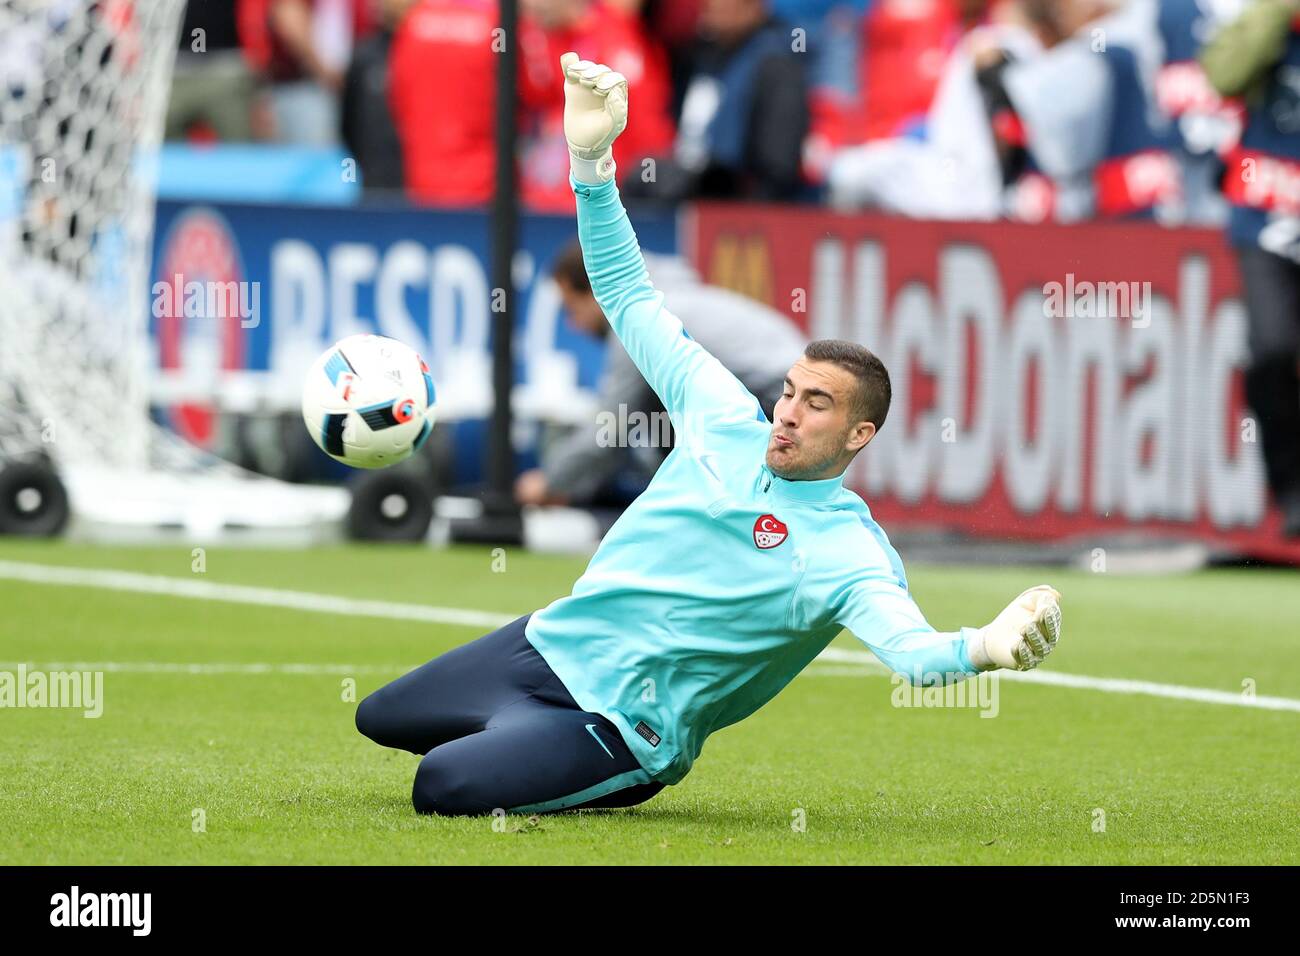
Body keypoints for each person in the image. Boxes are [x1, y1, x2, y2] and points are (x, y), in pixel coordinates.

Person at [355, 53, 1066, 816]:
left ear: (861, 433)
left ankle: (585, 768)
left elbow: (913, 655)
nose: (789, 411)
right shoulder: (723, 414)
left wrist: (988, 646)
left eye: (817, 404)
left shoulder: (847, 553)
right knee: (379, 717)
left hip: (619, 725)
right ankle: (513, 740)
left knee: (442, 787)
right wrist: (592, 166)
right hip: (546, 648)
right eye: (790, 391)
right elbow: (628, 294)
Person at [514, 241, 807, 507]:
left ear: (593, 292)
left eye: (572, 308)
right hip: (792, 393)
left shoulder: (641, 317)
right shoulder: (662, 300)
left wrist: (550, 482)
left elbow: (611, 432)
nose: (573, 325)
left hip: (781, 399)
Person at [1201, 0, 1300, 536]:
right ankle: (1291, 493)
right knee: (1273, 349)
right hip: (1266, 218)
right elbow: (1221, 73)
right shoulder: (1269, 19)